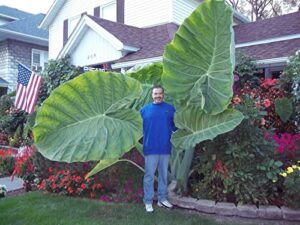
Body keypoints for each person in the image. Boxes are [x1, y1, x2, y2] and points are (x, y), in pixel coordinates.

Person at [140, 85, 176, 213]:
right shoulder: (144, 110)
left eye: (160, 93)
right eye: (155, 94)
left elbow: (175, 127)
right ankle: (148, 201)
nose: (158, 96)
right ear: (152, 95)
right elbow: (138, 128)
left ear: (163, 94)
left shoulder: (170, 109)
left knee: (163, 176)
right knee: (149, 176)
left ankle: (162, 199)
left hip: (165, 147)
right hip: (150, 148)